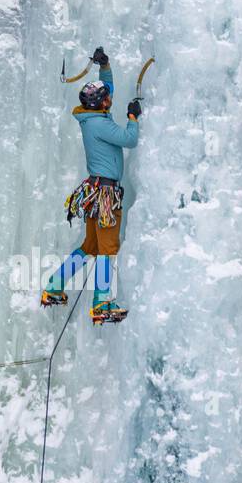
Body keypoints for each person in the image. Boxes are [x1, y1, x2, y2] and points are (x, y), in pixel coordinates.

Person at [41, 47, 142, 325]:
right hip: (106, 196)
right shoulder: (100, 125)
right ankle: (101, 302)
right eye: (107, 97)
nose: (110, 97)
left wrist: (105, 64)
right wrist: (133, 117)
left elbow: (106, 86)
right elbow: (129, 139)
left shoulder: (91, 117)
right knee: (108, 248)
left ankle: (54, 285)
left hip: (94, 193)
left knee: (90, 246)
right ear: (102, 104)